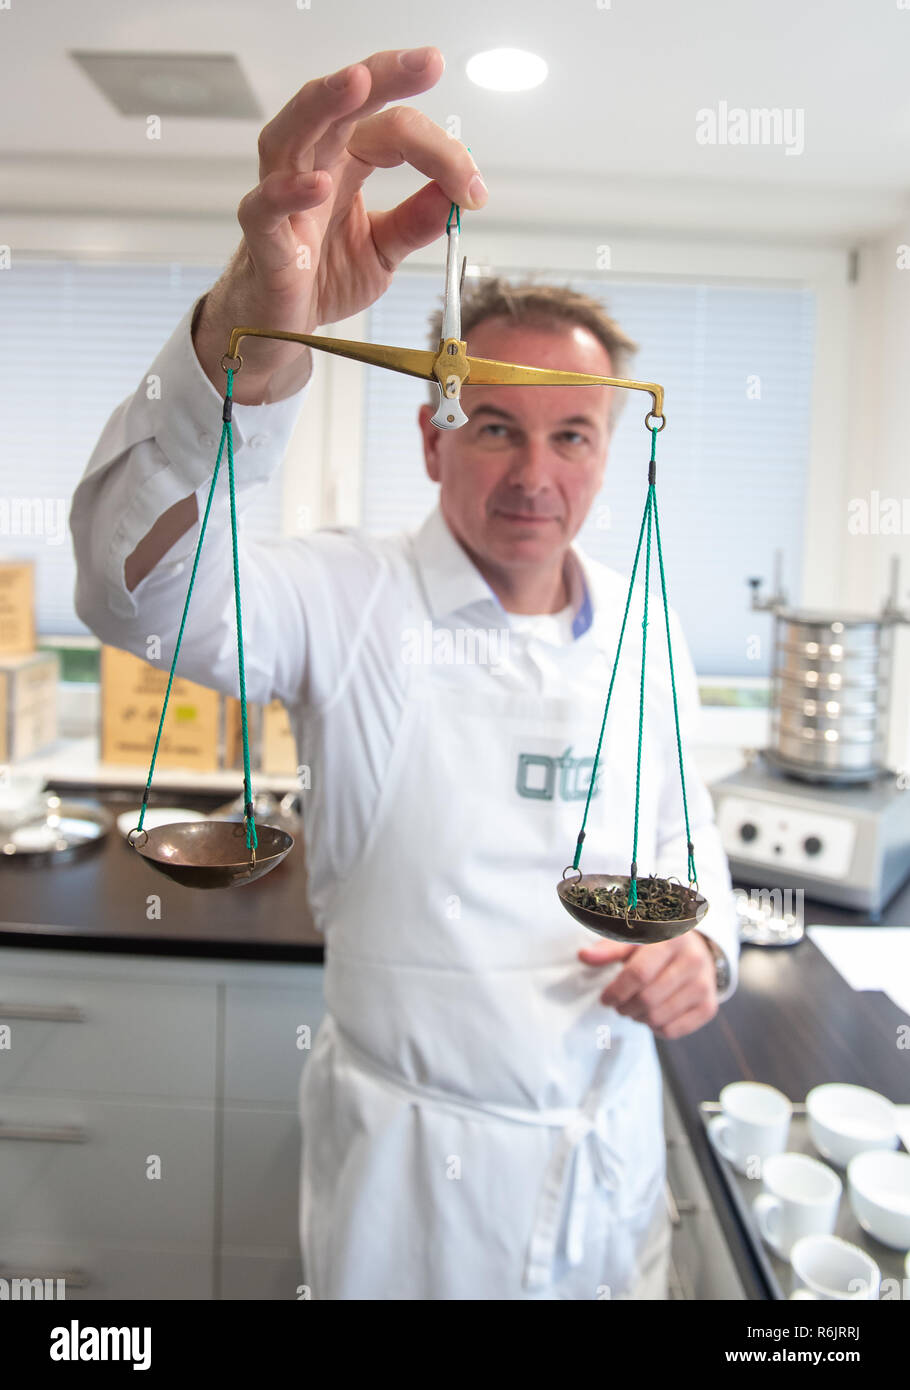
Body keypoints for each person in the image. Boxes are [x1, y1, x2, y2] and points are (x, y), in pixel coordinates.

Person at [70, 45, 739, 1301]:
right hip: (409, 1184)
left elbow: (692, 864)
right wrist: (246, 345)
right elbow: (135, 597)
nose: (533, 473)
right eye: (493, 425)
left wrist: (707, 957)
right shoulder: (346, 596)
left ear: (608, 455)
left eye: (570, 434)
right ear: (436, 438)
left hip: (602, 1158)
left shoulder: (649, 641)